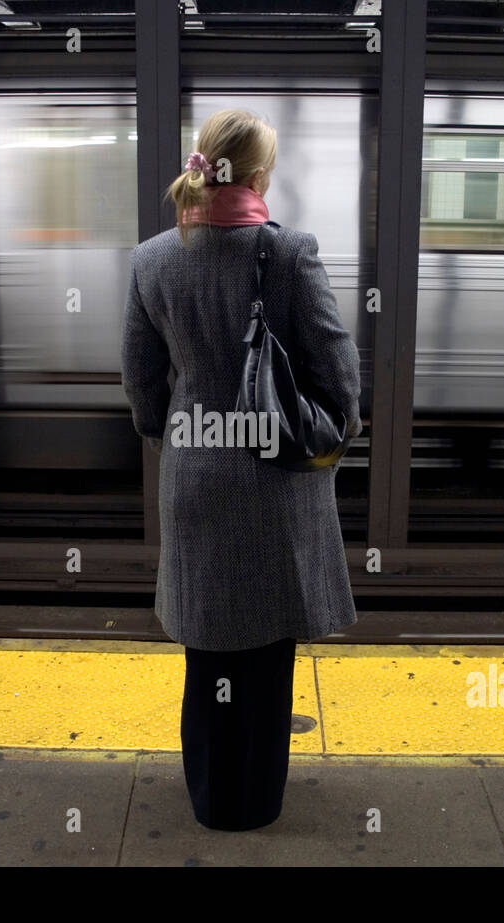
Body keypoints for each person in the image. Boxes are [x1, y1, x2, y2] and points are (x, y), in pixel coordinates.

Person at [120, 108, 362, 831]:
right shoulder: (289, 256)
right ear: (259, 176)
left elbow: (140, 383)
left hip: (194, 481)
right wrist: (328, 435)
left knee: (208, 655)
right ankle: (256, 800)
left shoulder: (153, 259)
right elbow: (341, 379)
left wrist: (181, 444)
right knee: (266, 659)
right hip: (276, 485)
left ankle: (210, 796)